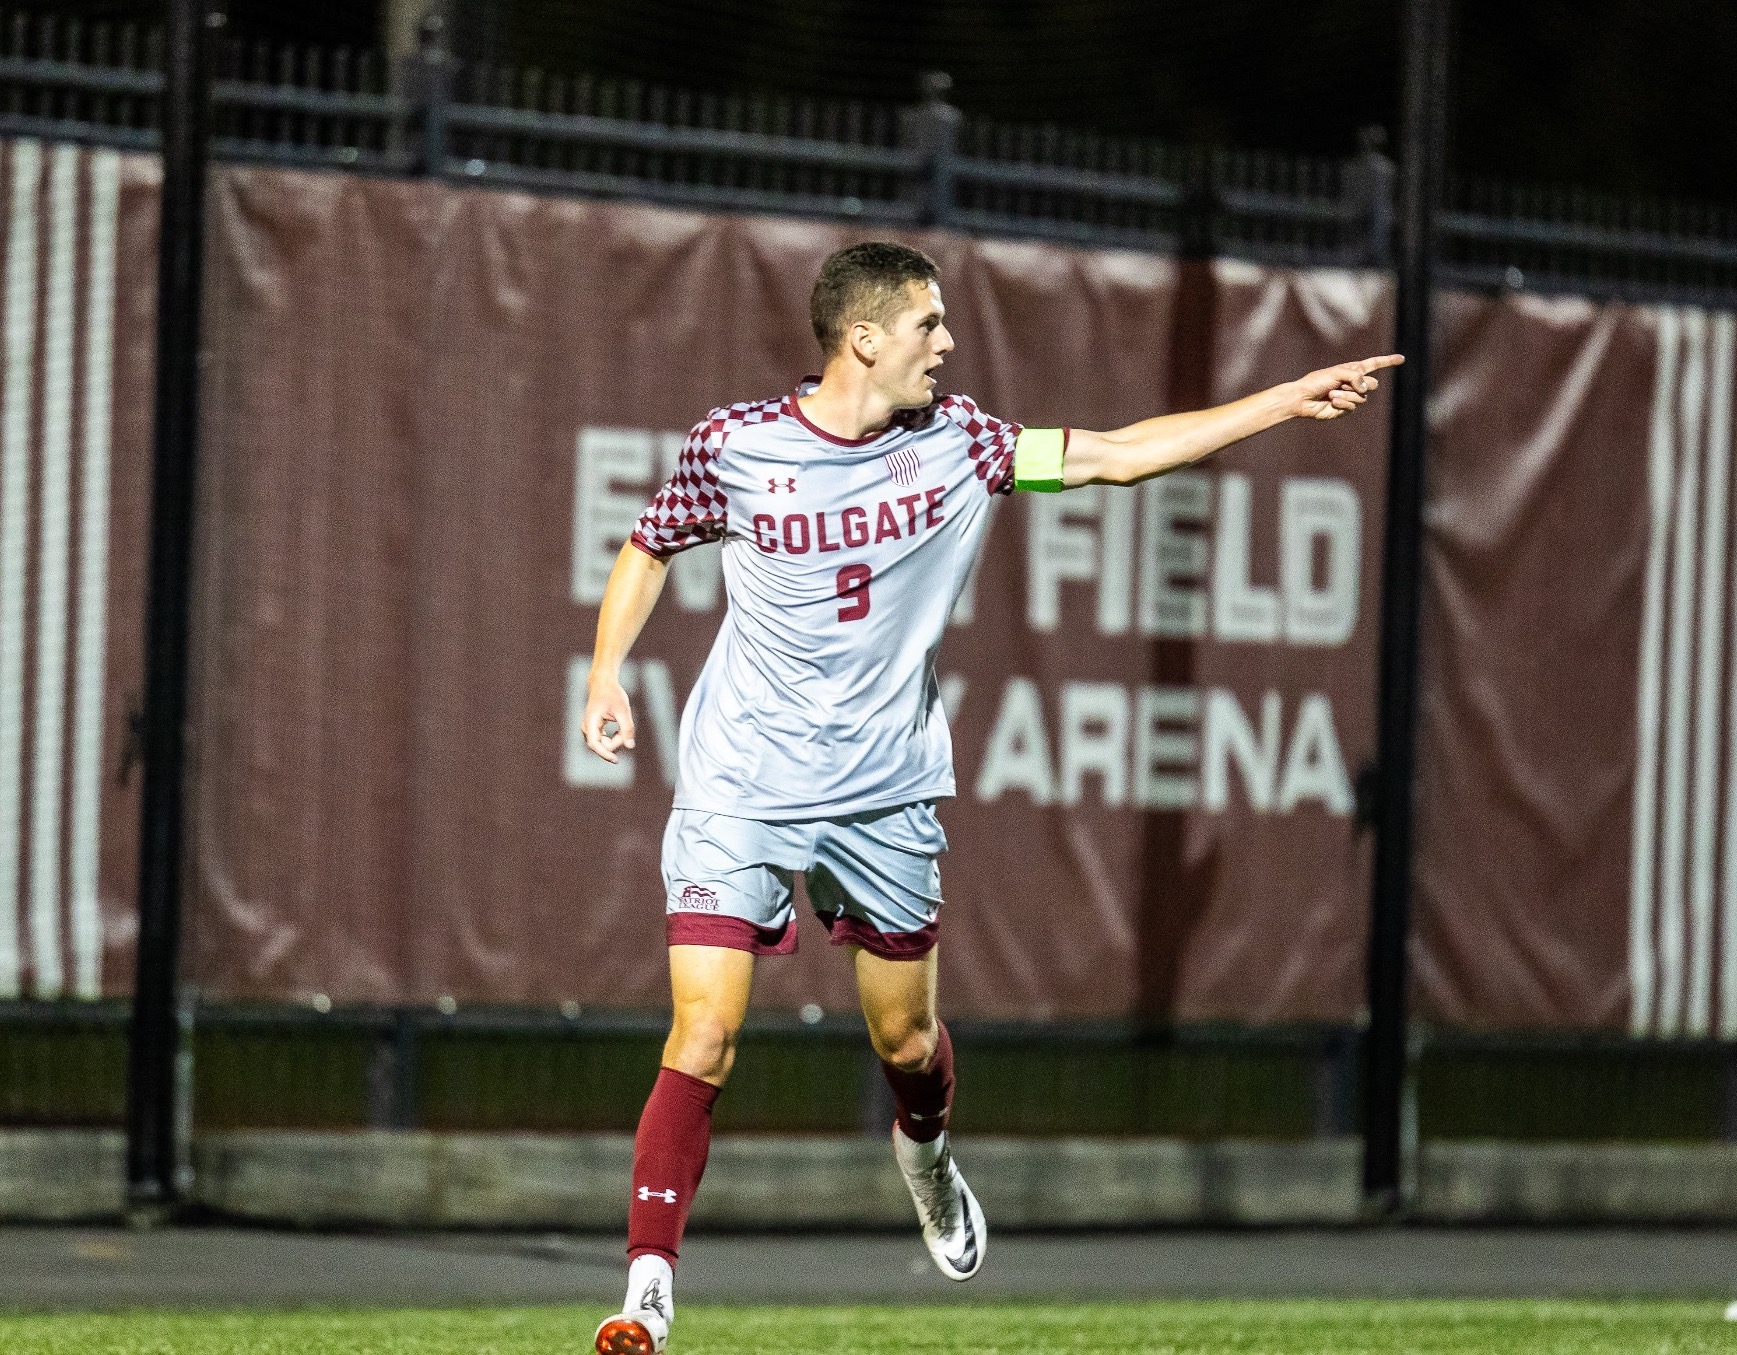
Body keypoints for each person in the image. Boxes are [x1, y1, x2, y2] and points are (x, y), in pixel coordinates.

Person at [583, 240, 1400, 1355]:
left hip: (883, 791)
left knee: (906, 1038)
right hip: (740, 777)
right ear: (863, 338)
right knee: (706, 1028)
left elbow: (1114, 455)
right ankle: (647, 1290)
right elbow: (649, 546)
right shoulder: (734, 444)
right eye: (927, 323)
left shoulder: (960, 443)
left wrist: (1281, 402)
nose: (947, 342)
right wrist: (605, 671)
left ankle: (925, 1155)